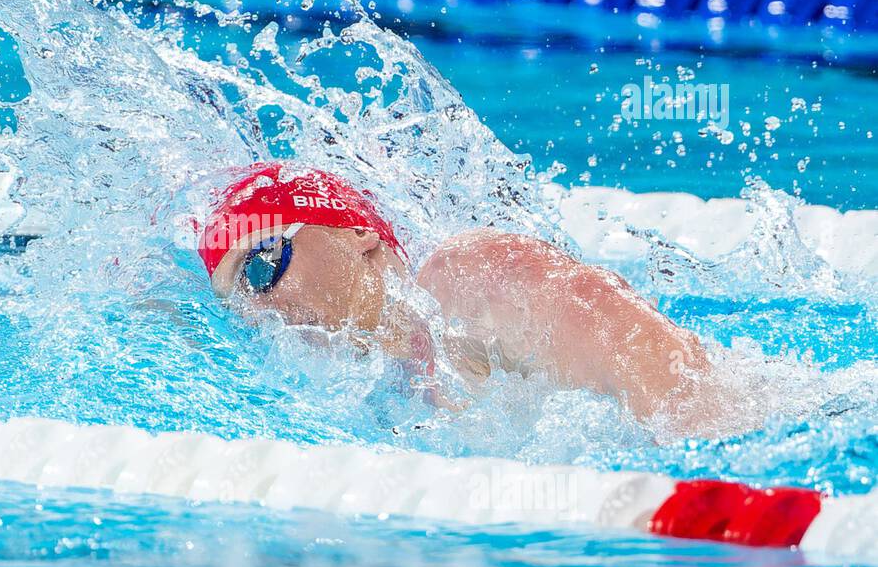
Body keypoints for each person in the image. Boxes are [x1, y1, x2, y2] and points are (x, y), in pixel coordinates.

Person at [196, 162, 747, 435]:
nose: (260, 311)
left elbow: (685, 392)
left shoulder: (463, 278)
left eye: (262, 266)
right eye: (238, 303)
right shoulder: (386, 393)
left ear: (354, 232)